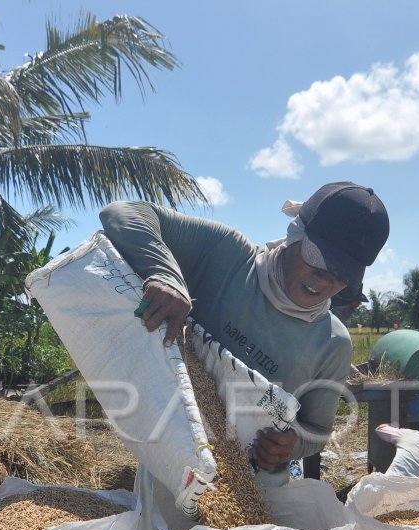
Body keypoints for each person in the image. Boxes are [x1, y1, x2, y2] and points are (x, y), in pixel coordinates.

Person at [99, 182, 390, 482]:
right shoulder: (227, 257)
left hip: (256, 492)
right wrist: (164, 273)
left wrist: (291, 445)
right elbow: (122, 213)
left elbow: (316, 431)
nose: (325, 280)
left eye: (341, 274)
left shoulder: (333, 343)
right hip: (174, 468)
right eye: (318, 260)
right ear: (295, 235)